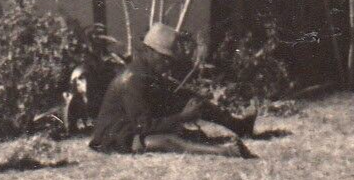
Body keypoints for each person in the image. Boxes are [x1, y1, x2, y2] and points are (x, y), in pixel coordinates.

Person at [89, 23, 258, 158]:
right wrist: (183, 117)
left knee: (187, 98)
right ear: (149, 52)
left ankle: (238, 126)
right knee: (164, 141)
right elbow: (144, 127)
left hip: (135, 127)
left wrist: (193, 104)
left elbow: (176, 99)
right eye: (165, 58)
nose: (168, 64)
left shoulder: (147, 72)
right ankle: (225, 152)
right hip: (115, 136)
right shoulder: (133, 79)